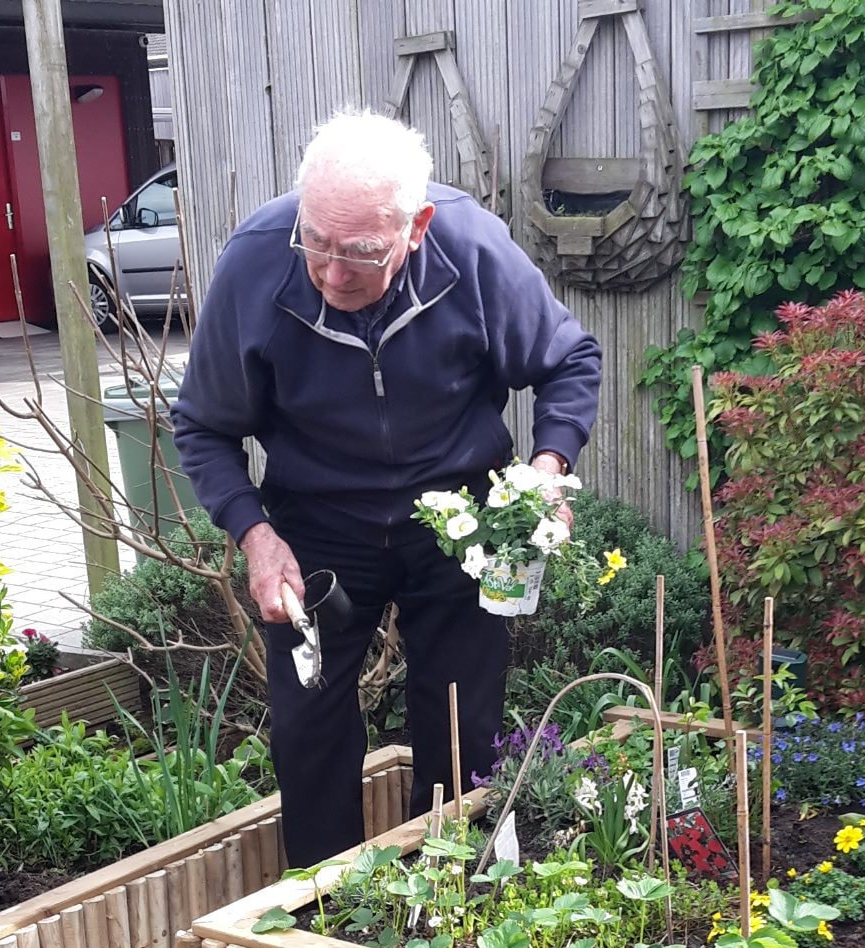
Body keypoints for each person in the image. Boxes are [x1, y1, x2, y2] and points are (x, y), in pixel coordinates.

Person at [173, 109, 602, 867]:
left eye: (361, 254)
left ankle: (451, 905)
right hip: (317, 533)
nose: (332, 274)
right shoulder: (254, 263)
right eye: (317, 244)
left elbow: (568, 362)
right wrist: (255, 533)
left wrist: (546, 473)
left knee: (462, 731)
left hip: (458, 525)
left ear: (418, 225)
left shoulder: (470, 251)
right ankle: (325, 916)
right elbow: (203, 426)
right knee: (309, 732)